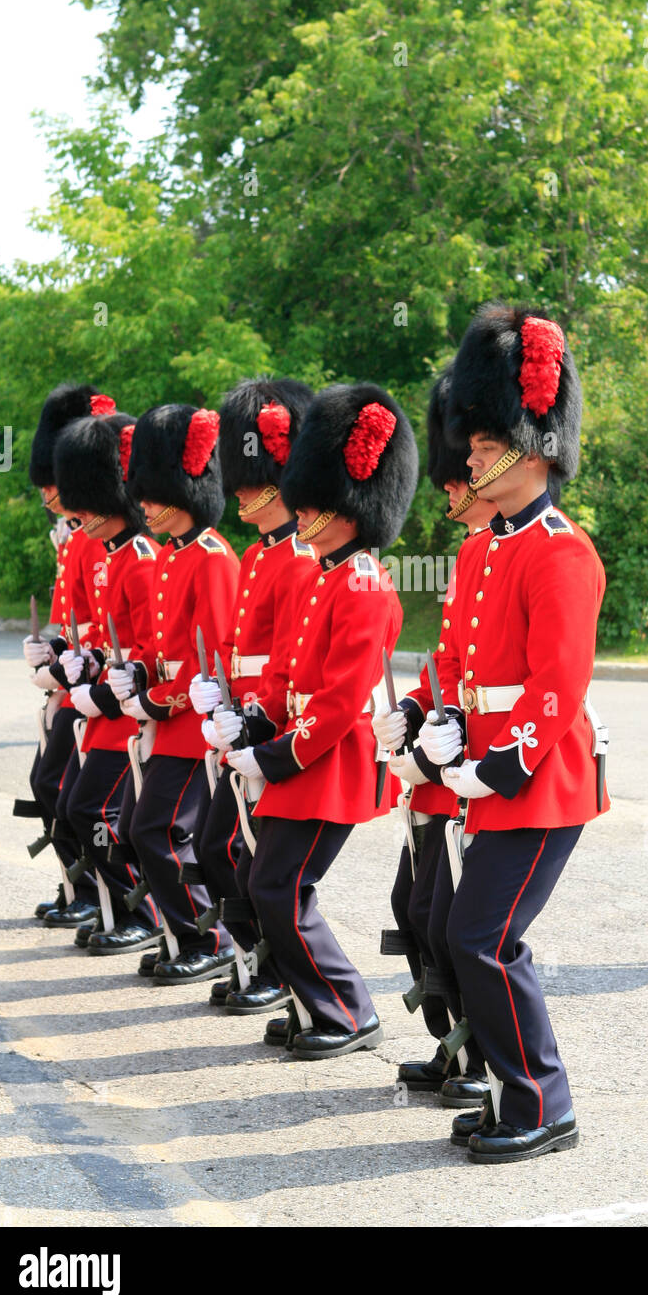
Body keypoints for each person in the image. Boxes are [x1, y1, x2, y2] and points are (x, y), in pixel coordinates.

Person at [416, 302, 609, 1163]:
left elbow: (557, 684)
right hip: (486, 773)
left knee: (483, 938)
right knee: (468, 934)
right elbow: (461, 660)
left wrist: (500, 762)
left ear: (533, 446)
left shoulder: (563, 551)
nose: (472, 456)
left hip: (538, 780)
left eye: (488, 444)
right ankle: (507, 1091)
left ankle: (542, 1103)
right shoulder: (480, 549)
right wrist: (444, 726)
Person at [220, 382, 418, 1058]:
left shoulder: (364, 581)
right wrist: (254, 721)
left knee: (280, 884)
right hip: (298, 750)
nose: (299, 508)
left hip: (326, 760)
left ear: (351, 508)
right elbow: (284, 670)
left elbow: (337, 701)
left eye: (314, 499)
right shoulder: (318, 573)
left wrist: (275, 756)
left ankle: (346, 1009)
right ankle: (313, 1004)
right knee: (264, 881)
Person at [371, 367, 493, 1108]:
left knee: (451, 925)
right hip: (435, 770)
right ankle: (449, 1049)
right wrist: (414, 711)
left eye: (460, 476)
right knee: (411, 911)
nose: (451, 487)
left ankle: (477, 1060)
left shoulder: (508, 550)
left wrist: (445, 735)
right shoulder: (472, 556)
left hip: (469, 779)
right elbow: (447, 669)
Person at [189, 377, 318, 1011]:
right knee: (220, 847)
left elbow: (291, 665)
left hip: (268, 729)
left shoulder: (300, 556)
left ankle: (274, 968)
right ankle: (260, 957)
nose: (237, 487)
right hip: (240, 721)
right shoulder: (263, 553)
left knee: (244, 853)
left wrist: (255, 723)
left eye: (251, 475)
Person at [109, 404, 240, 983]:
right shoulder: (170, 555)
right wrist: (134, 676)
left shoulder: (211, 556)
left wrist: (161, 698)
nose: (144, 504)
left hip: (190, 721)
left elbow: (209, 655)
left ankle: (208, 935)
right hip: (166, 717)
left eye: (154, 494)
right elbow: (154, 643)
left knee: (157, 830)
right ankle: (181, 929)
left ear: (183, 491)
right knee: (144, 828)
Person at [50, 409, 163, 953]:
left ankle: (141, 910)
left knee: (96, 812)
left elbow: (150, 648)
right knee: (77, 807)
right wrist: (83, 662)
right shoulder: (115, 556)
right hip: (105, 712)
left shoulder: (139, 558)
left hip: (128, 717)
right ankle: (120, 905)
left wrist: (105, 684)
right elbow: (110, 639)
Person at [19, 383, 117, 926]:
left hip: (104, 689)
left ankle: (100, 892)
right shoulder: (74, 536)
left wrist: (80, 663)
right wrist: (54, 651)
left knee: (71, 793)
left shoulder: (96, 537)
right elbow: (76, 620)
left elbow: (114, 629)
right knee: (51, 785)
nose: (50, 495)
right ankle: (81, 886)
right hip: (79, 682)